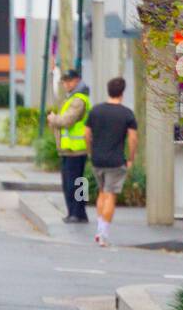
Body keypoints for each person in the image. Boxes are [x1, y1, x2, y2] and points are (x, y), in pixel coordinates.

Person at [85, 76, 138, 247]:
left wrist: (90, 152)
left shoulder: (95, 111)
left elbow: (86, 134)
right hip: (116, 161)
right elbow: (133, 139)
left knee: (102, 193)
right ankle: (103, 234)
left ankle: (99, 229)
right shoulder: (127, 114)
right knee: (110, 196)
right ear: (122, 93)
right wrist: (131, 158)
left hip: (97, 159)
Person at [47, 67, 91, 224]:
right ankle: (76, 212)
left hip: (76, 149)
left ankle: (77, 213)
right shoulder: (72, 98)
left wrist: (53, 119)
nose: (65, 84)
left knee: (75, 183)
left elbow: (66, 121)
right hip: (69, 149)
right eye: (64, 81)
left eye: (68, 81)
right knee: (74, 182)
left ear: (76, 80)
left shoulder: (78, 100)